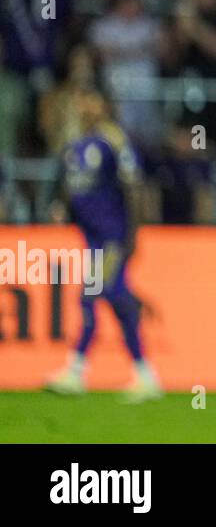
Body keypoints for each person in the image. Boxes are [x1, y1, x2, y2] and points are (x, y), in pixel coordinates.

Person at [44, 87, 162, 402]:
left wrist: (133, 235)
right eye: (81, 98)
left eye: (91, 98)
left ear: (105, 104)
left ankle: (76, 370)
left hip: (112, 239)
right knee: (118, 302)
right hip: (92, 239)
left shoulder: (115, 140)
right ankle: (145, 374)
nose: (85, 105)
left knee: (89, 297)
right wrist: (62, 209)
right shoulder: (75, 147)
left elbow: (134, 187)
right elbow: (72, 192)